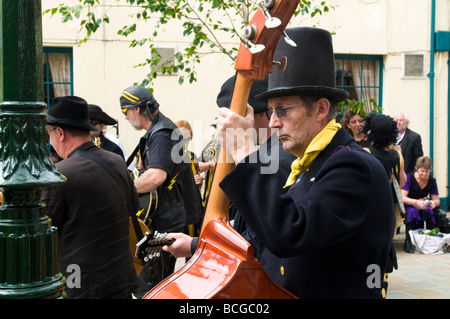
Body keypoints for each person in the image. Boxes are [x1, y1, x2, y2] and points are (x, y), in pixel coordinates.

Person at [214, 27, 395, 298]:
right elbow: (265, 241)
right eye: (272, 111)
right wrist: (197, 246)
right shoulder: (309, 164)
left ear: (321, 109)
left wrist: (245, 153)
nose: (274, 122)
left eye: (283, 109)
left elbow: (289, 233)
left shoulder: (352, 166)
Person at [163, 74, 299, 295]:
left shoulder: (276, 160)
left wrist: (194, 245)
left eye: (228, 117)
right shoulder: (266, 155)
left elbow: (259, 238)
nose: (223, 125)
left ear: (248, 114)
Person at [41, 96, 138, 299]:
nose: (50, 142)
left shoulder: (59, 174)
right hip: (121, 283)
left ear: (59, 132)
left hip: (82, 289)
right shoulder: (117, 161)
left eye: (49, 134)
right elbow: (134, 206)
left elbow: (41, 234)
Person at [120, 85, 201, 298]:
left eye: (125, 112)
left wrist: (124, 189)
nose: (126, 118)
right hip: (165, 219)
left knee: (152, 287)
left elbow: (156, 176)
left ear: (137, 109)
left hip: (165, 223)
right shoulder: (160, 130)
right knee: (156, 283)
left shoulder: (162, 132)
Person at [362, 113, 406, 281]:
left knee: (370, 249)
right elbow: (403, 181)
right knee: (385, 246)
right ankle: (382, 281)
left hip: (370, 209)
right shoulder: (397, 155)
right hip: (390, 211)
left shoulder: (365, 153)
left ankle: (371, 282)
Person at [401, 156, 440, 253]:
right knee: (412, 211)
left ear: (430, 170)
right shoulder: (409, 178)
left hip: (422, 203)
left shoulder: (431, 181)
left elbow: (437, 200)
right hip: (409, 203)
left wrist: (433, 202)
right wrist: (416, 201)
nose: (424, 174)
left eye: (427, 171)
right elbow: (403, 197)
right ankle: (408, 241)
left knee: (430, 210)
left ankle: (430, 239)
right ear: (417, 169)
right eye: (422, 171)